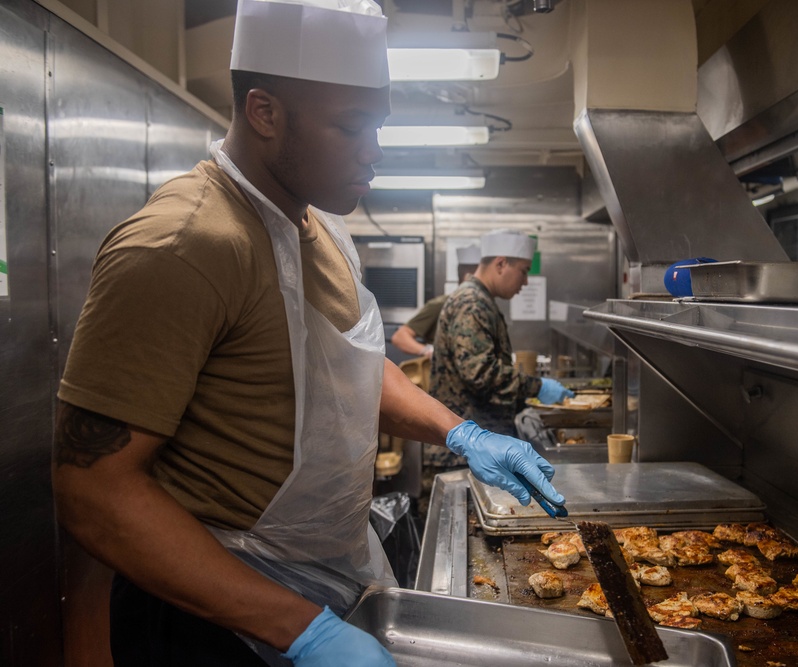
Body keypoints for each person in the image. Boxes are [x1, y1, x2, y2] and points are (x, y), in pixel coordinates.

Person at [50, 2, 564, 666]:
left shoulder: (318, 228)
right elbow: (92, 487)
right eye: (352, 126)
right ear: (264, 112)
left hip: (318, 586)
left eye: (377, 124)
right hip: (207, 620)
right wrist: (302, 629)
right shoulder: (183, 245)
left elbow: (345, 368)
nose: (374, 151)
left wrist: (460, 432)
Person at [430, 230, 575, 437]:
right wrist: (538, 387)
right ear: (501, 264)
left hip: (475, 435)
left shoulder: (480, 299)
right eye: (523, 271)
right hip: (465, 443)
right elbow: (480, 374)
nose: (525, 282)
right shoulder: (471, 303)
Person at [390, 243, 480, 358]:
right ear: (468, 277)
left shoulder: (480, 307)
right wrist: (429, 352)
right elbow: (400, 337)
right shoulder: (442, 304)